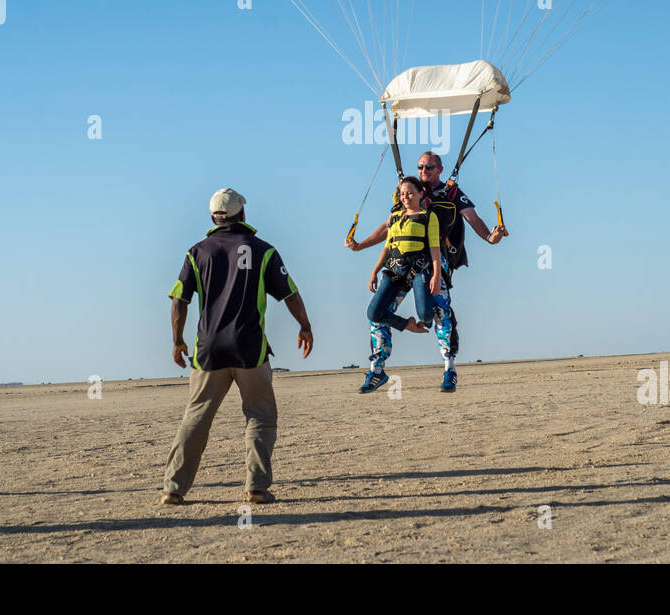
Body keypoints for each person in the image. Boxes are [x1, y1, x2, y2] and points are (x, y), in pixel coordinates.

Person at [160, 189, 314, 506]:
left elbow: (179, 300)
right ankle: (256, 488)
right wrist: (305, 325)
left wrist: (177, 340)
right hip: (250, 349)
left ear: (213, 217)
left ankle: (173, 489)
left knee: (196, 418)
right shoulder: (263, 251)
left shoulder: (197, 252)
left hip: (208, 350)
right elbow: (290, 294)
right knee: (259, 416)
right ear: (242, 214)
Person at [346, 151, 506, 392]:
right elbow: (387, 229)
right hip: (400, 264)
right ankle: (376, 371)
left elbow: (473, 219)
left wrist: (491, 238)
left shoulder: (451, 192)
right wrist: (359, 246)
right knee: (377, 313)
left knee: (439, 311)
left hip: (430, 262)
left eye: (429, 167)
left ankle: (449, 368)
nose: (424, 171)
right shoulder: (407, 191)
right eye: (420, 167)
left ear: (440, 169)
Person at [359, 177, 441, 393]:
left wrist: (437, 276)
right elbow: (386, 247)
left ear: (421, 193)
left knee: (426, 315)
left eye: (410, 193)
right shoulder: (395, 218)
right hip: (394, 271)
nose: (406, 197)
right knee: (373, 313)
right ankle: (405, 327)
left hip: (418, 270)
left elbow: (434, 248)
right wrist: (374, 272)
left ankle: (426, 319)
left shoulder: (427, 217)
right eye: (402, 194)